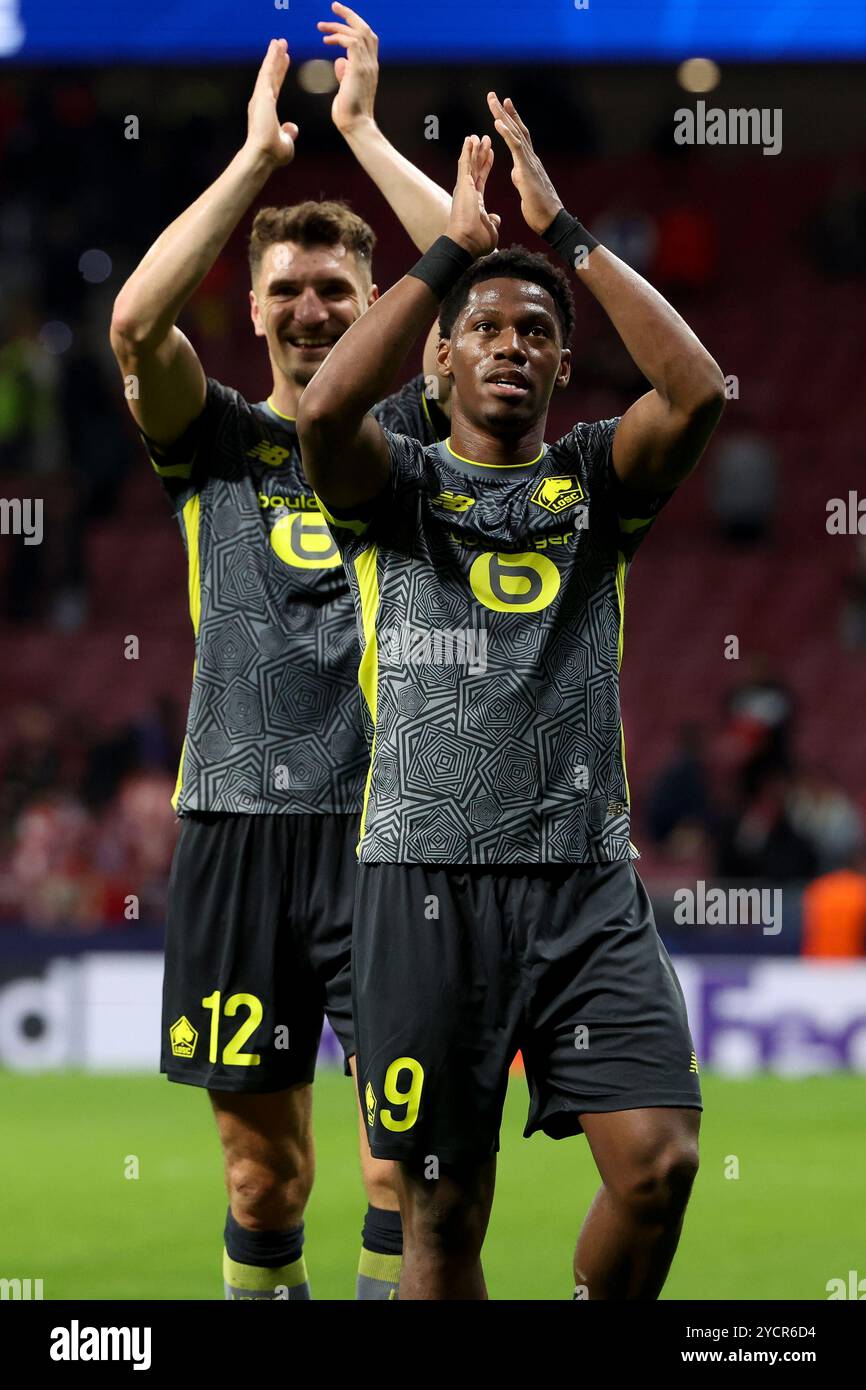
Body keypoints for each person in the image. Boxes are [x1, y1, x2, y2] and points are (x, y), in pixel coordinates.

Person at [299, 97, 726, 1300]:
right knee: (441, 1215)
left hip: (585, 880)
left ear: (559, 361)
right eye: (480, 326)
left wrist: (562, 234)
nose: (508, 343)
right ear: (436, 358)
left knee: (659, 1165)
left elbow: (696, 394)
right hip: (421, 876)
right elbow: (324, 410)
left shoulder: (595, 479)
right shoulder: (391, 486)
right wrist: (450, 253)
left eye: (536, 330)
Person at [110, 13, 459, 1302]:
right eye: (288, 291)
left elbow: (474, 284)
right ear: (254, 308)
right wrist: (256, 165)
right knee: (265, 1179)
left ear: (375, 310)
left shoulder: (414, 434)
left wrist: (362, 133)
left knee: (403, 1170)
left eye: (337, 293)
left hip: (388, 834)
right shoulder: (216, 445)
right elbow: (138, 323)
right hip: (236, 830)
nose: (312, 309)